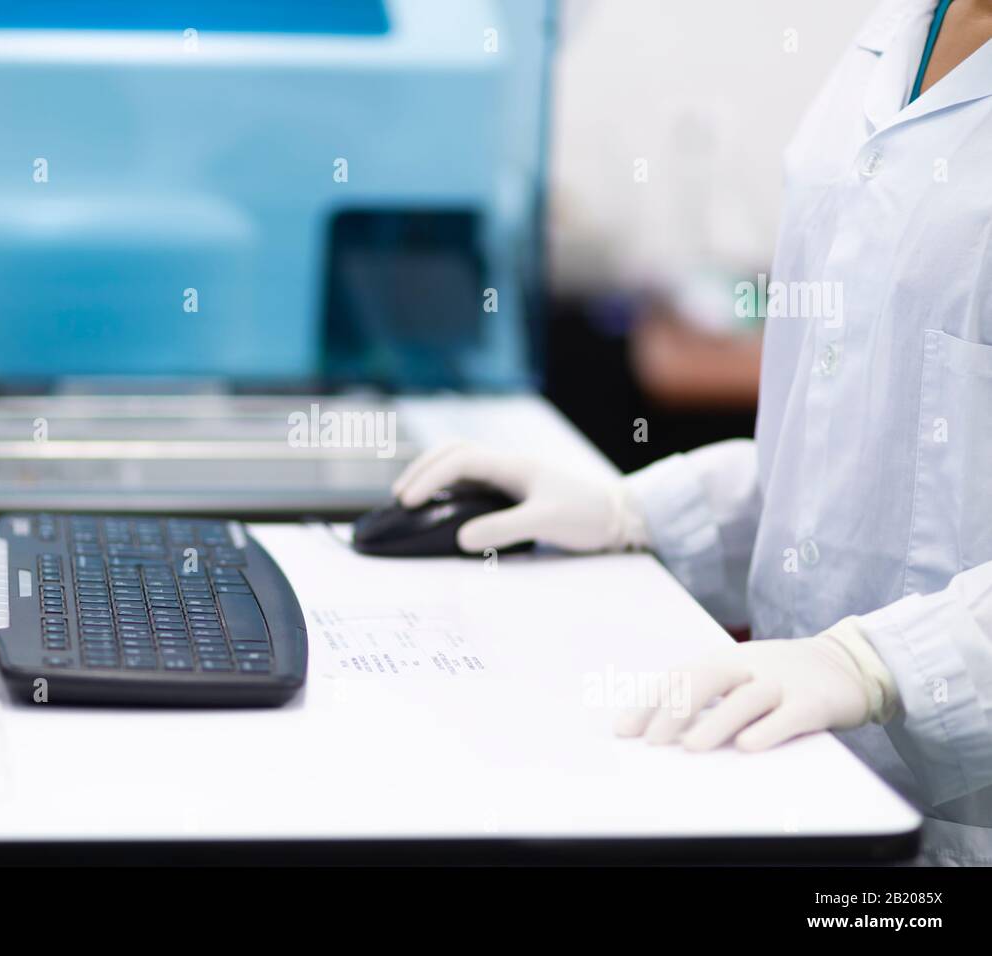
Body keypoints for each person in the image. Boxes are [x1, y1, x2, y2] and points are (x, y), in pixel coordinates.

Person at [393, 0, 992, 865]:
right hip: (801, 784)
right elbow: (855, 457)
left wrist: (876, 664)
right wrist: (633, 512)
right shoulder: (890, 40)